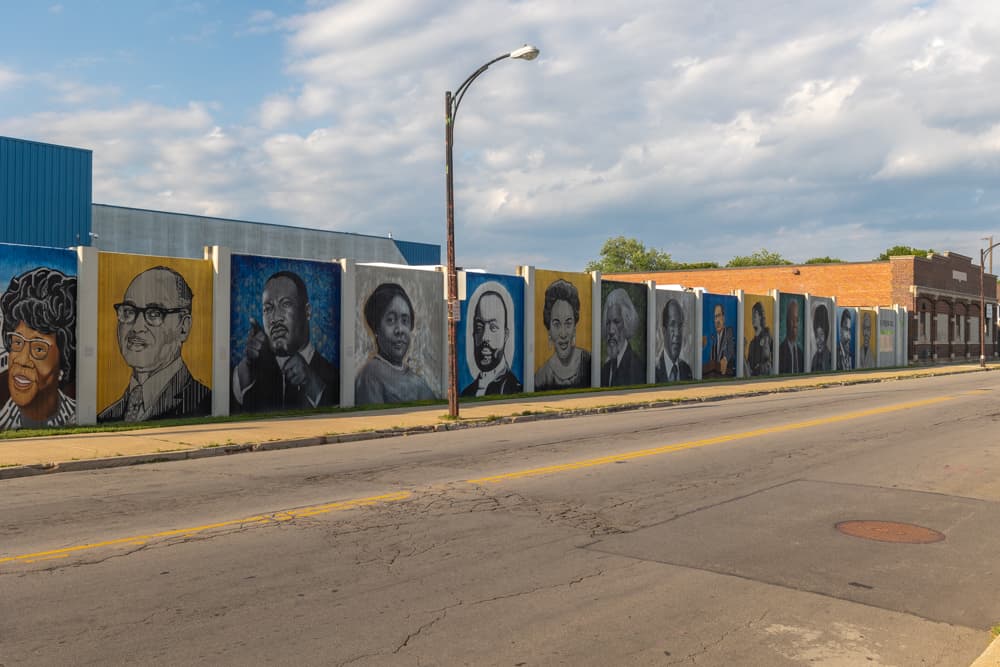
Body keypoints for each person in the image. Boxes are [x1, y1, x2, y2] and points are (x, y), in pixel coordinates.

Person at [99, 266, 211, 422]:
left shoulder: (203, 404)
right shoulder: (107, 417)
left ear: (183, 327)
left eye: (154, 314)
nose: (137, 327)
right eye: (129, 311)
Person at [232, 271, 339, 412]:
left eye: (286, 304)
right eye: (268, 309)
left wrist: (312, 384)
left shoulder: (332, 375)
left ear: (307, 311)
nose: (275, 318)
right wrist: (247, 365)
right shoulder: (252, 371)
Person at [0, 267, 77, 429]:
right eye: (17, 343)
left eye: (39, 349)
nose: (22, 360)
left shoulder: (76, 415)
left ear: (64, 361)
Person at [355, 282, 436, 404]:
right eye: (390, 320)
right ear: (376, 328)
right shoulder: (371, 376)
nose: (399, 330)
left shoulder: (417, 381)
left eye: (405, 321)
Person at [461, 288, 522, 396]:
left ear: (505, 335)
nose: (484, 337)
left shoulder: (514, 388)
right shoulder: (467, 393)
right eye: (479, 327)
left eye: (493, 327)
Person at [535, 279, 591, 390]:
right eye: (556, 324)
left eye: (568, 323)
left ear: (575, 327)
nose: (563, 334)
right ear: (549, 329)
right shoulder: (541, 377)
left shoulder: (589, 362)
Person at [601, 288, 644, 386]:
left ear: (626, 323)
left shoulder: (637, 367)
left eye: (616, 322)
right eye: (608, 323)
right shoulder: (605, 370)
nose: (611, 331)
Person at [655, 298, 693, 382]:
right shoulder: (655, 370)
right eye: (672, 325)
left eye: (680, 326)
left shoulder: (686, 370)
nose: (677, 333)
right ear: (664, 330)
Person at [704, 302, 736, 377]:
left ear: (723, 318)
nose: (717, 320)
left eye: (719, 316)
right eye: (715, 317)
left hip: (728, 373)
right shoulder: (713, 337)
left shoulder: (728, 332)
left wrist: (725, 358)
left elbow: (730, 349)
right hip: (715, 374)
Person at [745, 301, 772, 377]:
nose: (752, 318)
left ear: (760, 316)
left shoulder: (766, 336)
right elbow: (748, 366)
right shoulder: (752, 344)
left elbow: (767, 359)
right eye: (752, 316)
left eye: (754, 315)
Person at [779, 299, 805, 373]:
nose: (795, 324)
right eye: (792, 319)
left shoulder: (801, 353)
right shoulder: (780, 351)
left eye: (796, 320)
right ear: (787, 321)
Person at [811, 304, 832, 371]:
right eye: (817, 336)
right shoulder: (814, 359)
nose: (818, 340)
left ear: (826, 334)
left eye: (821, 334)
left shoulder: (829, 358)